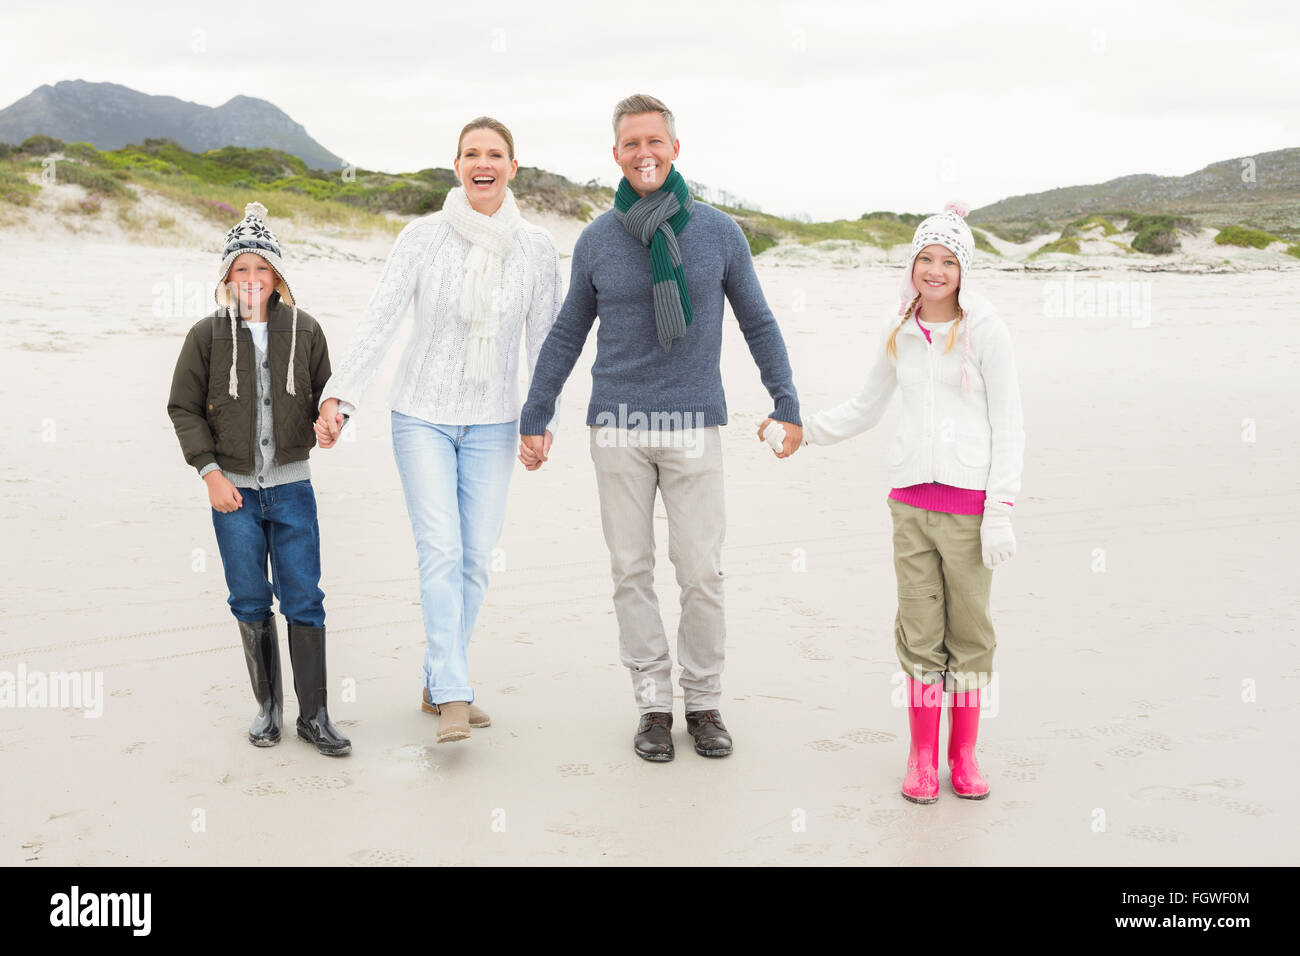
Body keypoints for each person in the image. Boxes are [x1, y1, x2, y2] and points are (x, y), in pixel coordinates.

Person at [518, 94, 802, 763]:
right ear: (615, 155)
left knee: (701, 571)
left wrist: (785, 401)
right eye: (630, 144)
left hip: (694, 424)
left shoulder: (719, 234)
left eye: (655, 141)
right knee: (630, 571)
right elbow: (566, 335)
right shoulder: (595, 240)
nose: (644, 154)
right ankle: (652, 705)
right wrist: (537, 416)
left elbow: (758, 321)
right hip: (616, 427)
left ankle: (702, 702)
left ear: (675, 149)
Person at [314, 118, 563, 744]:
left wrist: (541, 419)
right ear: (456, 166)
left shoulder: (535, 248)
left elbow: (545, 342)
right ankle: (454, 692)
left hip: (496, 422)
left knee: (476, 559)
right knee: (442, 551)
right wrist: (342, 395)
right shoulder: (422, 237)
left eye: (496, 154)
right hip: (420, 415)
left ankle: (435, 677)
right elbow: (382, 317)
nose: (484, 163)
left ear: (513, 167)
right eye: (471, 154)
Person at [800, 202, 1024, 801]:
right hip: (910, 507)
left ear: (964, 270)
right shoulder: (899, 328)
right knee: (919, 634)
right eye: (925, 258)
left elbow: (1010, 421)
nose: (934, 270)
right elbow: (866, 405)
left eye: (947, 260)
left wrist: (1000, 509)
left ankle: (964, 755)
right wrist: (803, 429)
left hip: (972, 511)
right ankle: (922, 756)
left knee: (970, 634)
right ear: (911, 264)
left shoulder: (988, 330)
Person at [167, 201, 350, 756]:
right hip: (234, 492)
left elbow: (330, 394)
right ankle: (268, 709)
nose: (252, 279)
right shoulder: (205, 335)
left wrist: (333, 419)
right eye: (240, 270)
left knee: (304, 596)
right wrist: (210, 472)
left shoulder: (306, 329)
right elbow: (183, 407)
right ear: (227, 278)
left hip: (293, 488)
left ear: (278, 277)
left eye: (262, 269)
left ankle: (314, 716)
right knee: (249, 597)